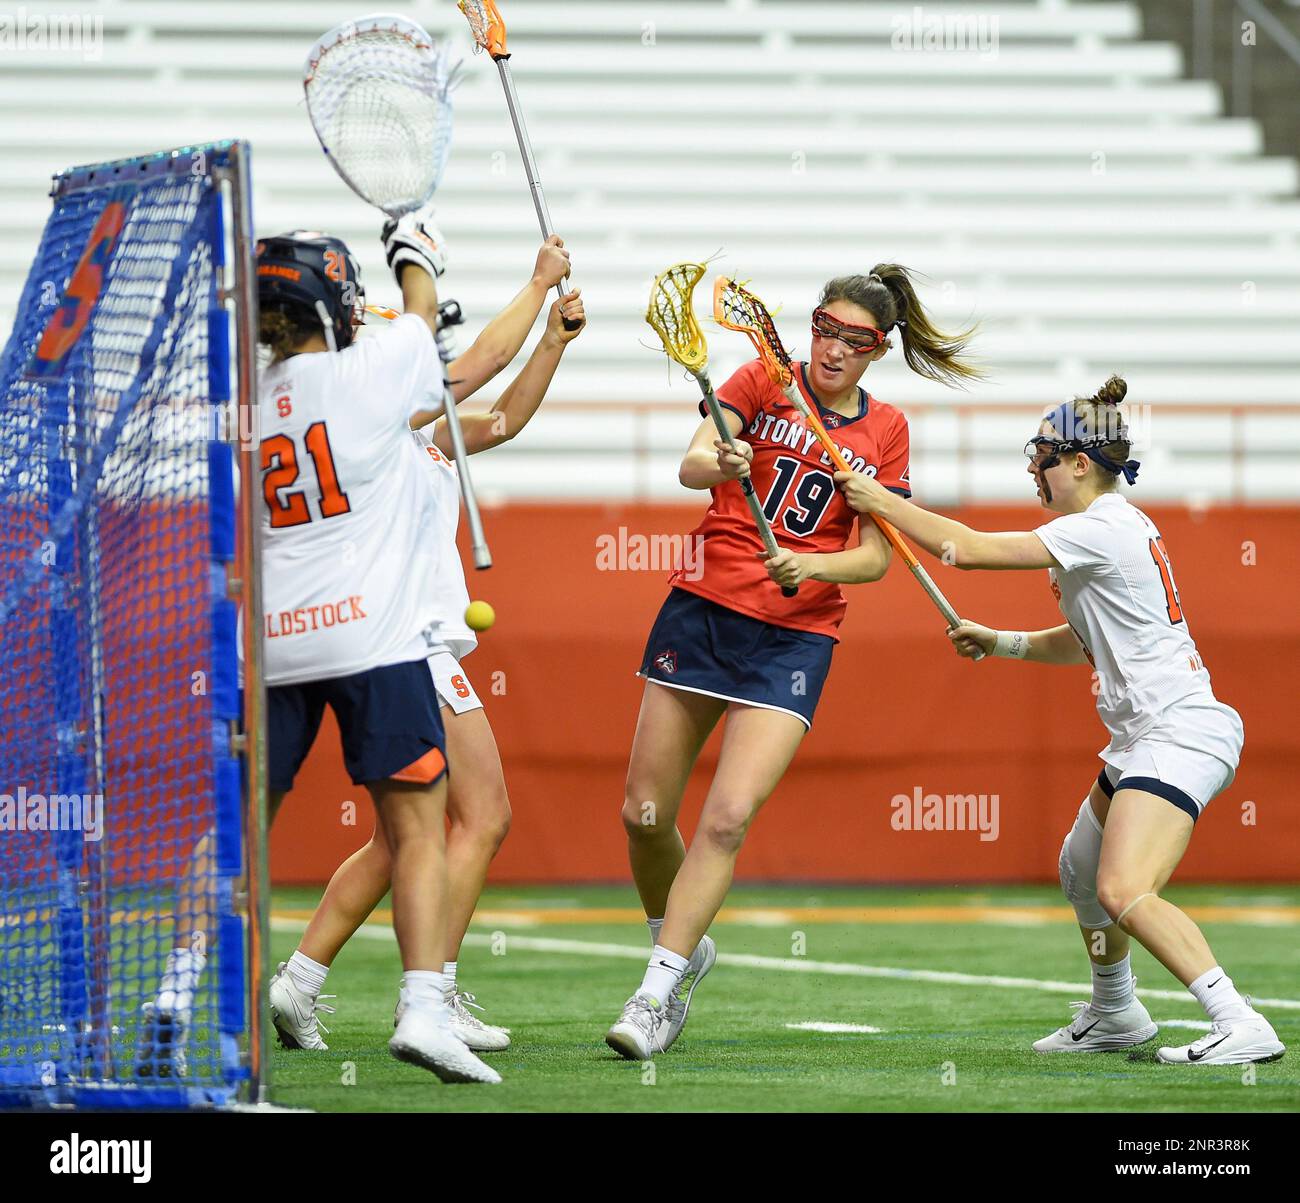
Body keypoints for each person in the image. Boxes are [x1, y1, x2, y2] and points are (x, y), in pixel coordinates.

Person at [835, 375, 1285, 1066]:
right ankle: (1115, 1012)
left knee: (1123, 888)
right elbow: (1084, 639)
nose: (1031, 466)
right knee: (1080, 867)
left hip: (1178, 730)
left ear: (1081, 463)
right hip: (1148, 735)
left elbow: (966, 548)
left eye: (1041, 452)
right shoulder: (1102, 530)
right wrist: (1002, 640)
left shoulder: (1099, 526)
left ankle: (1239, 1017)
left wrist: (885, 502)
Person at [603, 266, 981, 1060]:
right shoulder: (760, 382)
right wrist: (725, 459)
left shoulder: (887, 431)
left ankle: (655, 988)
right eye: (825, 328)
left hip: (794, 639)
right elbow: (692, 462)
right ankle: (680, 940)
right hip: (703, 610)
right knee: (643, 813)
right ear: (808, 327)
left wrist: (812, 568)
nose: (834, 348)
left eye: (855, 339)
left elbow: (877, 559)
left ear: (879, 350)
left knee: (729, 816)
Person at [268, 269, 586, 1056]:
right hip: (407, 641)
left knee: (395, 838)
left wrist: (552, 338)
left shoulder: (410, 432)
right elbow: (479, 361)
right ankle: (432, 997)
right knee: (483, 814)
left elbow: (504, 417)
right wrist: (540, 285)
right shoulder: (380, 414)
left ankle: (300, 981)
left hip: (404, 638)